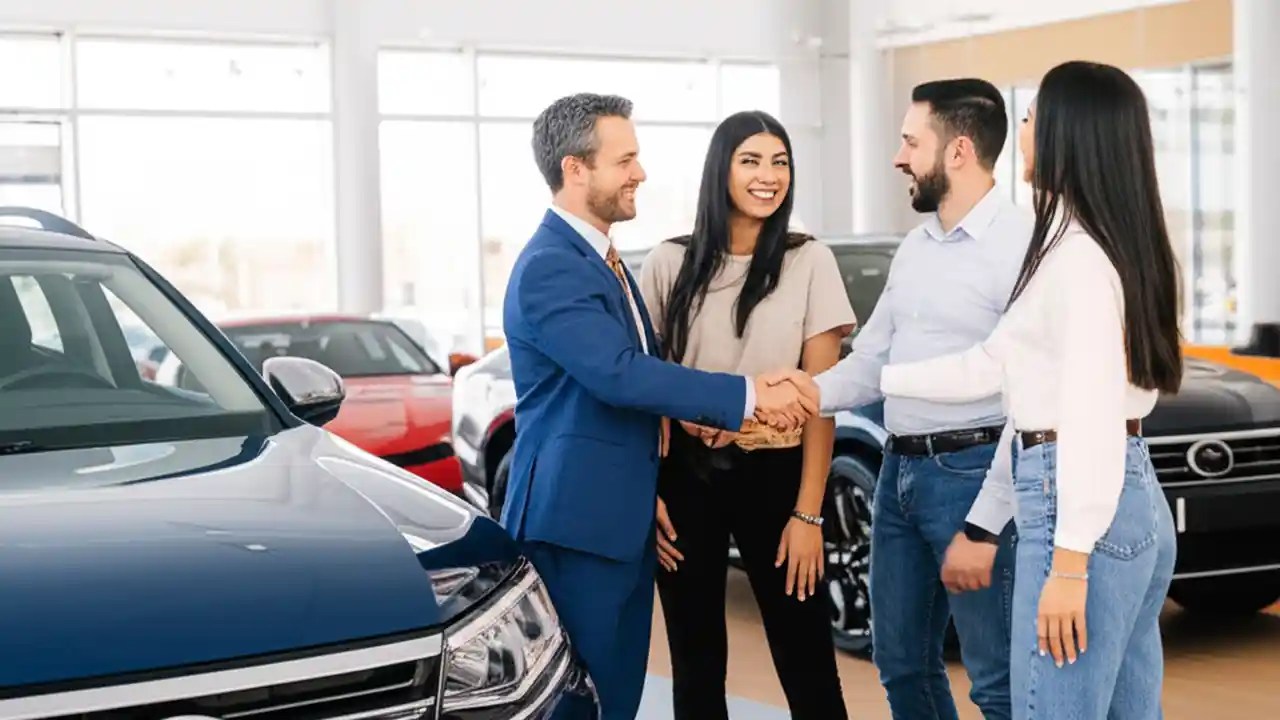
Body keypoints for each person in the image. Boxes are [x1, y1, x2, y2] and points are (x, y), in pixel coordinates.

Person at [499, 93, 817, 720]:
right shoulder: (551, 266)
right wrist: (748, 395)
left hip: (614, 517)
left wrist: (688, 414)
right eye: (626, 159)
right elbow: (618, 374)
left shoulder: (601, 260)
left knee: (615, 694)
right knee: (576, 700)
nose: (640, 172)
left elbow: (630, 378)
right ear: (575, 169)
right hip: (577, 520)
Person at [879, 60, 1181, 719]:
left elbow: (1091, 419)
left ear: (1069, 134)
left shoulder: (1076, 259)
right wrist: (876, 379)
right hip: (1125, 497)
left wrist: (1069, 564)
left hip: (1080, 508)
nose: (1021, 129)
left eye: (1033, 116)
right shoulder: (1090, 244)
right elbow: (1000, 368)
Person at [788, 78, 1031, 719]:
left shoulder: (1024, 246)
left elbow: (1029, 389)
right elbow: (871, 363)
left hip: (975, 474)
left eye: (909, 141)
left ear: (957, 151)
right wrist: (802, 392)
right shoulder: (915, 249)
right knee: (900, 664)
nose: (898, 157)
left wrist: (989, 513)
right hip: (899, 473)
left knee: (996, 680)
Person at [637, 110, 854, 720]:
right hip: (686, 479)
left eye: (780, 162)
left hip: (778, 477)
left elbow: (822, 399)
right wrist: (649, 488)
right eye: (751, 161)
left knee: (807, 657)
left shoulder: (809, 260)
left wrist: (809, 513)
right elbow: (647, 387)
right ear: (721, 170)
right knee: (696, 661)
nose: (769, 176)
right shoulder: (667, 262)